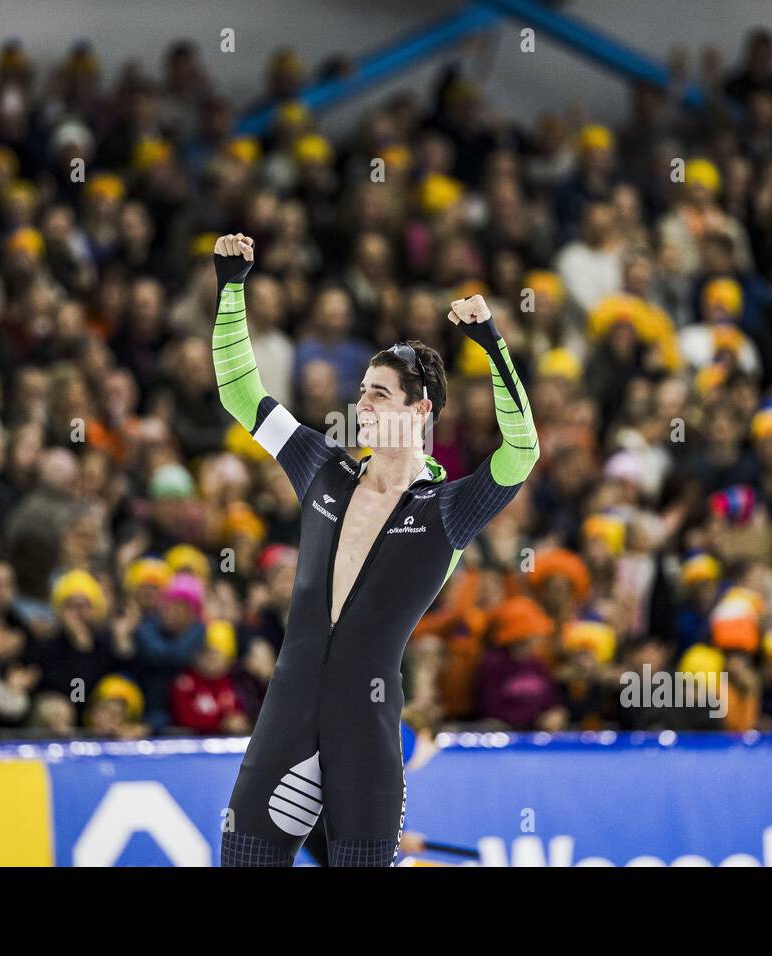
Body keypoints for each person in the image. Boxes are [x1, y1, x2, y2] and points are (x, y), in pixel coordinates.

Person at [211, 233, 539, 867]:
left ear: (419, 410)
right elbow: (239, 394)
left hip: (365, 732)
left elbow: (522, 450)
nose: (360, 403)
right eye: (361, 390)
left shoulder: (448, 508)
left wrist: (493, 344)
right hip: (286, 711)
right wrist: (231, 286)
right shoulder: (321, 469)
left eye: (378, 394)